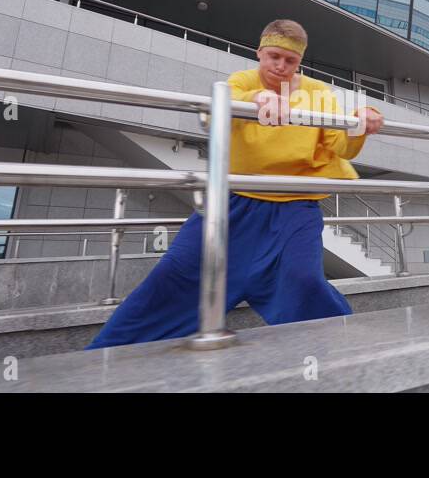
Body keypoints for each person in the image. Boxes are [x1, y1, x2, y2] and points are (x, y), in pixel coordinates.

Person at [86, 19, 384, 348]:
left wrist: (360, 123)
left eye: (290, 61)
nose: (281, 66)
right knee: (174, 271)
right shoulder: (241, 81)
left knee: (304, 279)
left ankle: (342, 350)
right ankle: (112, 352)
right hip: (234, 206)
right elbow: (218, 114)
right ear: (259, 53)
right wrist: (257, 101)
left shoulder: (318, 92)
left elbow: (338, 144)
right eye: (274, 57)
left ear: (300, 62)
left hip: (295, 207)